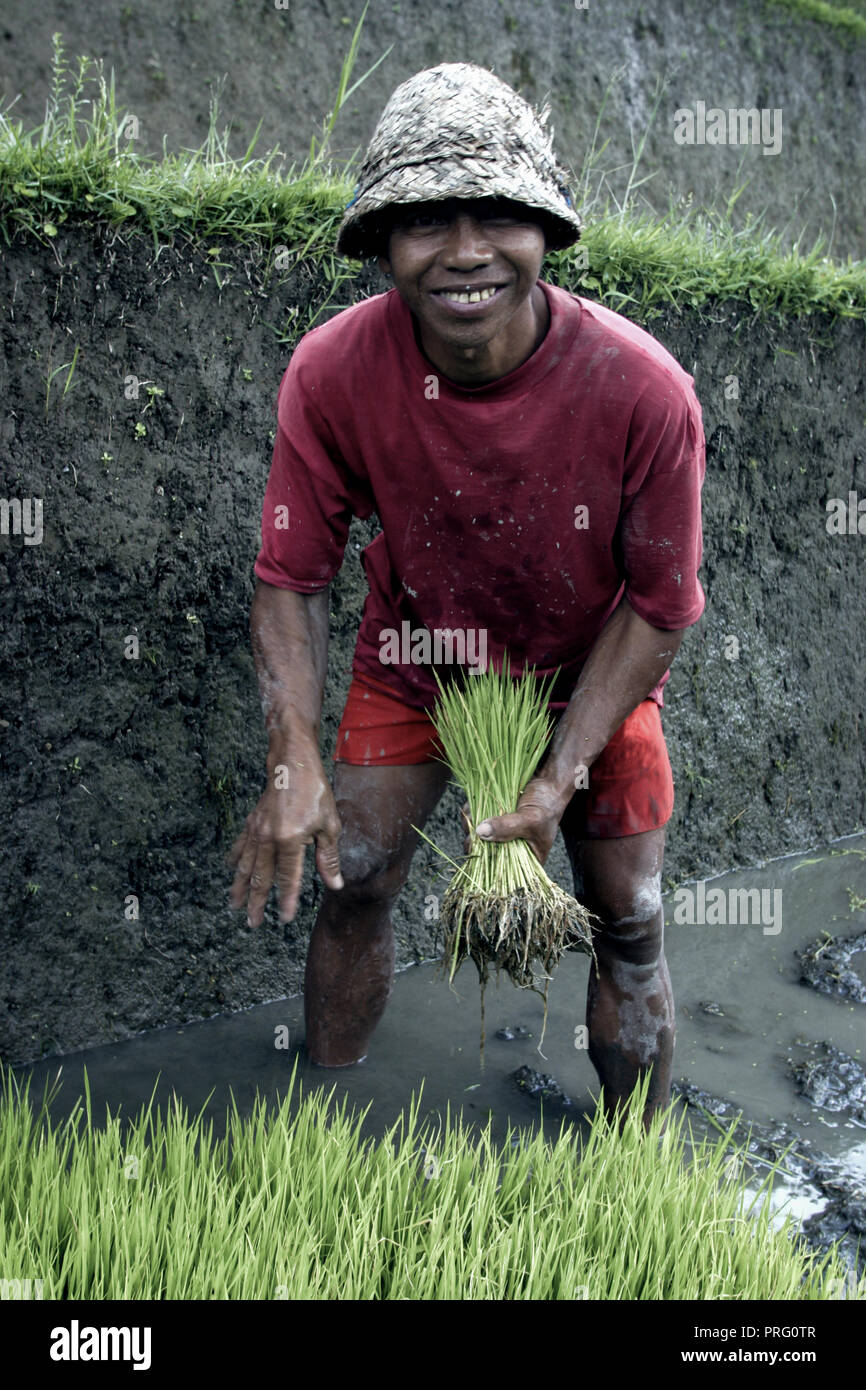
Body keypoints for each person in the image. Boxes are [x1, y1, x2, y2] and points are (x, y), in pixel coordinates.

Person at [229, 62, 706, 1131]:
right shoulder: (334, 371)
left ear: (543, 230)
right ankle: (325, 1129)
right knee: (352, 880)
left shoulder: (640, 389)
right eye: (423, 222)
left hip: (588, 672)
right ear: (381, 245)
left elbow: (661, 605)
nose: (463, 250)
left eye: (496, 215)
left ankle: (635, 1165)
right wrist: (290, 753)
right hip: (416, 659)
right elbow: (290, 575)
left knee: (627, 916)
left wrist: (559, 772)